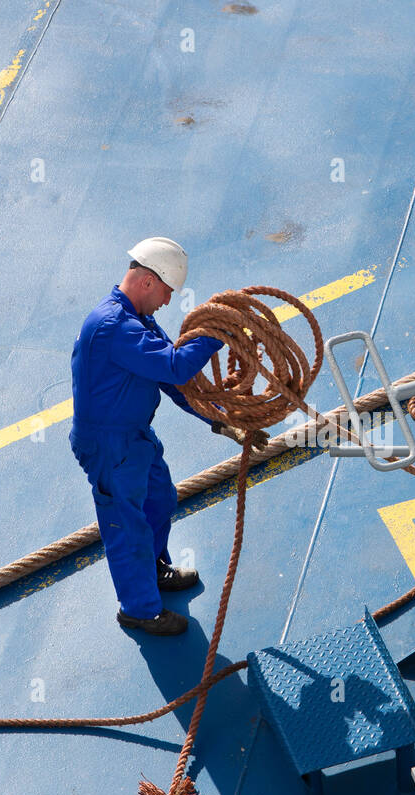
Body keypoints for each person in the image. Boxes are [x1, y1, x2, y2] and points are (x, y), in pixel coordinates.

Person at [69, 237, 267, 636]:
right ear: (146, 282)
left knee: (161, 500)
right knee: (127, 524)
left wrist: (220, 419)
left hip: (134, 438)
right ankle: (139, 609)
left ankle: (154, 570)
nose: (166, 302)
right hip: (110, 446)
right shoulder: (114, 328)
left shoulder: (137, 321)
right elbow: (177, 367)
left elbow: (174, 382)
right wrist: (219, 331)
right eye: (165, 292)